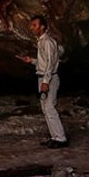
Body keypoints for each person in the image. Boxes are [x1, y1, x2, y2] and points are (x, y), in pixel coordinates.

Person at [20, 15, 68, 148]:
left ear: (42, 27)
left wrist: (46, 82)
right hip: (43, 77)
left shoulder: (48, 41)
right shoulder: (41, 41)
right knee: (45, 109)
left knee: (49, 108)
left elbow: (51, 63)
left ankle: (61, 138)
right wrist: (32, 60)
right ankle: (55, 137)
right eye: (31, 25)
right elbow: (44, 62)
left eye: (34, 25)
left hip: (49, 78)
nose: (31, 28)